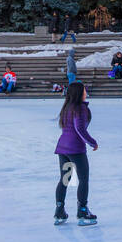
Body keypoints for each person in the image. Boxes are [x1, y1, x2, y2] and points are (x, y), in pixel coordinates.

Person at [53, 81, 98, 225]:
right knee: (83, 179)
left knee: (65, 179)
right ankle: (82, 212)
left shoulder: (66, 107)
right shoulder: (80, 109)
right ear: (79, 93)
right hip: (75, 149)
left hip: (63, 148)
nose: (86, 92)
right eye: (84, 90)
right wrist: (92, 142)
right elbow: (80, 129)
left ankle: (59, 212)